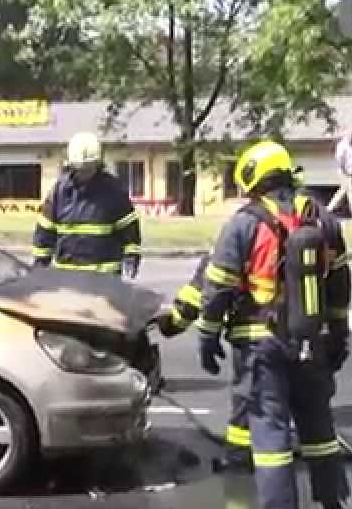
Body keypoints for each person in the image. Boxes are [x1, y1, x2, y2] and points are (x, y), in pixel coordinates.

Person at [187, 139, 352, 509]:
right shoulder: (324, 222)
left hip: (263, 345)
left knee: (270, 428)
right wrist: (338, 338)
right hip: (313, 341)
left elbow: (218, 288)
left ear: (252, 176)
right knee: (319, 429)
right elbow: (340, 287)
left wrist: (207, 337)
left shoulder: (244, 223)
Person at [157, 254, 253, 472]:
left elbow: (206, 291)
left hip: (254, 336)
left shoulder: (240, 232)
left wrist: (175, 323)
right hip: (304, 335)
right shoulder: (314, 231)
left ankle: (239, 458)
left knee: (248, 398)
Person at [32, 132, 142, 278]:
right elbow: (45, 230)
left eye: (88, 169)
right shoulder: (60, 191)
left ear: (98, 165)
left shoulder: (113, 191)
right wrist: (40, 262)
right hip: (68, 278)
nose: (84, 174)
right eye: (80, 169)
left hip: (104, 279)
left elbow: (129, 230)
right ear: (71, 166)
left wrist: (131, 257)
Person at [327, 129, 352, 218]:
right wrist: (344, 169)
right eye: (351, 135)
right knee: (351, 192)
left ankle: (328, 209)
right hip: (345, 172)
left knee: (343, 191)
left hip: (351, 172)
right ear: (346, 135)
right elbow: (339, 158)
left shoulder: (351, 147)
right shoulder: (342, 145)